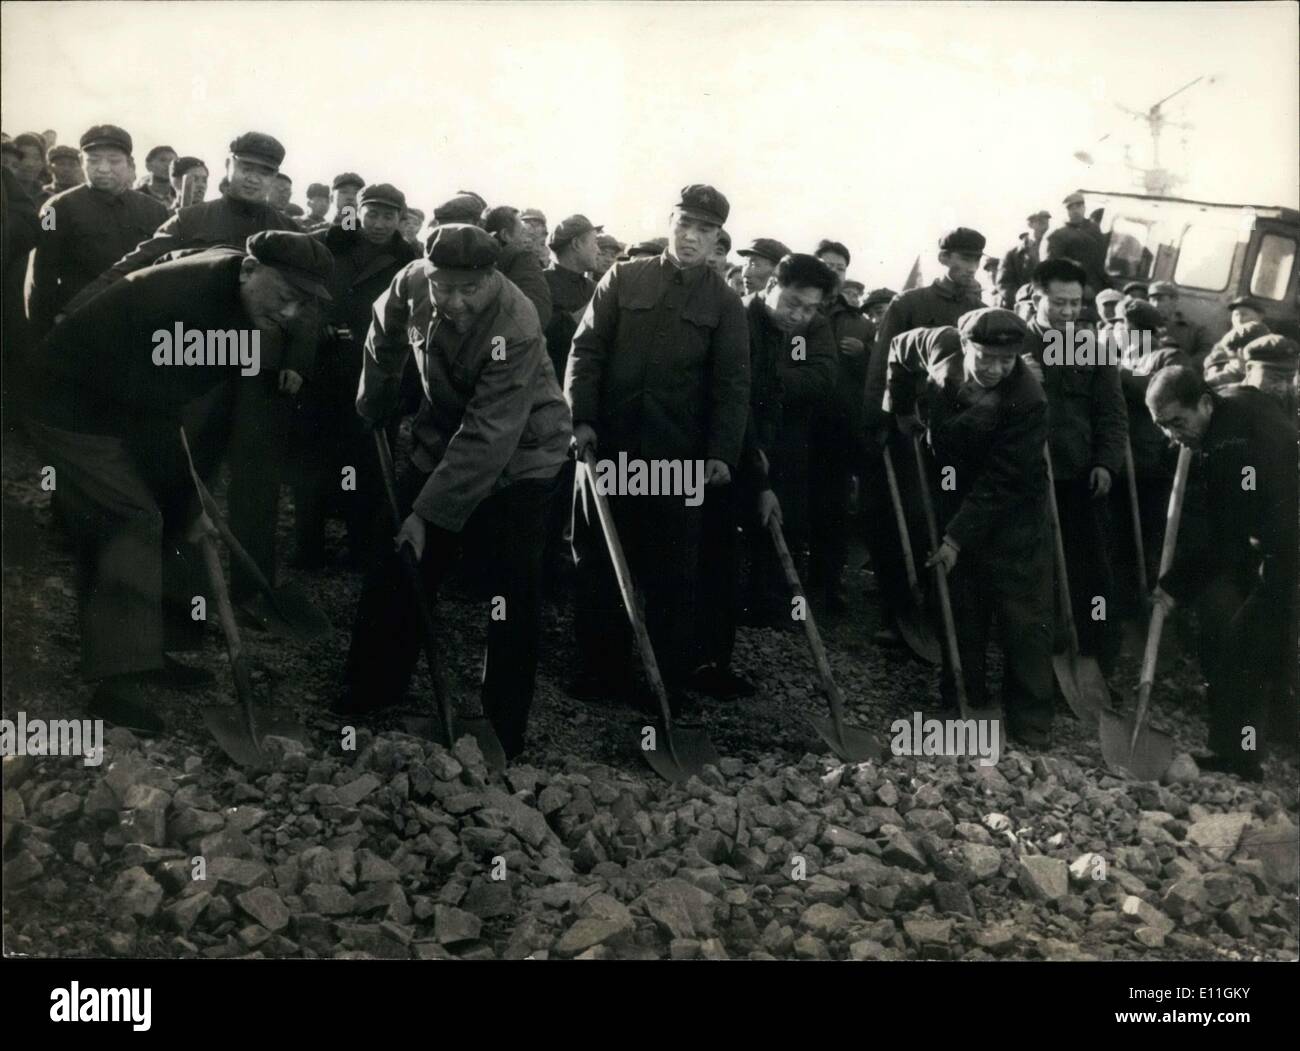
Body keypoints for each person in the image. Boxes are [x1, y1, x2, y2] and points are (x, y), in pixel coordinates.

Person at [27, 231, 332, 733]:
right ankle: (115, 684)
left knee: (163, 513)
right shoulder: (187, 308)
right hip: (70, 405)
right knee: (129, 518)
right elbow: (153, 417)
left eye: (304, 303)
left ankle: (149, 649)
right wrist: (189, 504)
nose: (292, 315)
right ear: (251, 270)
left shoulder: (230, 280)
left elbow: (165, 407)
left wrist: (186, 500)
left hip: (120, 401)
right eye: (286, 296)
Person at [342, 224, 571, 759]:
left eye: (469, 289)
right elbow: (384, 331)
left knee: (510, 589)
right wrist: (373, 400)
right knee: (401, 559)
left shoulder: (516, 323)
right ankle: (373, 686)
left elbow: (491, 435)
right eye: (446, 288)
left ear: (490, 276)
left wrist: (426, 513)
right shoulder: (412, 280)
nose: (456, 301)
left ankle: (502, 725)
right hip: (444, 431)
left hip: (523, 451)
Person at [63, 131, 318, 610]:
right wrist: (74, 310)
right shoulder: (193, 218)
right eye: (246, 168)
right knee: (185, 477)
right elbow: (137, 266)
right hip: (194, 368)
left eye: (264, 173)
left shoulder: (289, 231)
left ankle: (251, 592)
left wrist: (297, 361)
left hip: (259, 371)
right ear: (228, 166)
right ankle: (182, 598)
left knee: (256, 482)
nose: (253, 179)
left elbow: (307, 304)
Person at [565, 184, 749, 713]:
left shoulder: (725, 302)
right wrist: (581, 418)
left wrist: (720, 453)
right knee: (599, 558)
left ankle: (662, 682)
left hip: (676, 459)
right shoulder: (624, 277)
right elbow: (588, 349)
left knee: (671, 569)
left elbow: (732, 384)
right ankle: (601, 672)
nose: (691, 237)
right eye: (684, 224)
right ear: (670, 222)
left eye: (705, 230)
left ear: (717, 238)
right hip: (612, 448)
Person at [885, 308, 1055, 747]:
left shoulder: (1028, 399)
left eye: (1007, 360)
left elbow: (1003, 480)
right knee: (960, 601)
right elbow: (899, 350)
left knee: (1022, 613)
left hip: (1014, 505)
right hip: (955, 487)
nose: (997, 369)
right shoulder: (939, 344)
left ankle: (1031, 721)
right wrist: (900, 406)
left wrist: (956, 538)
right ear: (964, 346)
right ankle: (962, 703)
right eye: (987, 359)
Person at [1148, 367, 1298, 779]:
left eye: (1178, 423)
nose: (1172, 435)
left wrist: (1173, 585)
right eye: (1162, 426)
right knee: (1253, 647)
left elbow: (1226, 536)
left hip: (1288, 549)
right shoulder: (1233, 403)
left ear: (1205, 403)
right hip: (1275, 537)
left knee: (1246, 649)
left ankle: (1240, 759)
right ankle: (1242, 754)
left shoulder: (1234, 448)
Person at [862, 228, 986, 646]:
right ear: (944, 258)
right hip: (908, 430)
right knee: (906, 521)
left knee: (947, 517)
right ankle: (895, 614)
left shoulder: (980, 310)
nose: (968, 268)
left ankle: (938, 612)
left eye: (975, 260)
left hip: (955, 438)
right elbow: (882, 364)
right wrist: (880, 424)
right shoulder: (910, 304)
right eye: (962, 258)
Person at [291, 182, 417, 570]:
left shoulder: (408, 259)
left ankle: (359, 545)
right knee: (315, 461)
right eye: (372, 214)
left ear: (401, 219)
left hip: (378, 374)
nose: (379, 224)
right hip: (325, 371)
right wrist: (322, 329)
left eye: (389, 216)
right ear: (357, 212)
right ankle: (308, 546)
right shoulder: (324, 244)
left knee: (369, 463)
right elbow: (301, 298)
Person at [1020, 258, 1127, 678]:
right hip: (1027, 477)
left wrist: (1106, 463)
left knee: (1094, 575)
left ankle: (1097, 660)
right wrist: (1018, 380)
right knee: (1035, 574)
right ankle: (1039, 662)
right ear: (1035, 297)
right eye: (1059, 303)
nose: (1069, 312)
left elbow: (1112, 414)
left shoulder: (1090, 347)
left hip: (1081, 479)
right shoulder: (1013, 343)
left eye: (1075, 304)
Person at [740, 253, 838, 627]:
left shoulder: (808, 330)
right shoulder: (740, 319)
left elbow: (822, 375)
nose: (798, 315)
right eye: (792, 303)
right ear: (770, 286)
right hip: (738, 430)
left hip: (786, 433)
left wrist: (773, 386)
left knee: (785, 516)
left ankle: (773, 603)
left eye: (809, 309)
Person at [25, 125, 171, 339]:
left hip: (137, 324)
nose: (103, 168)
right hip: (80, 324)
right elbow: (40, 277)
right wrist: (43, 332)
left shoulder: (156, 211)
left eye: (114, 161)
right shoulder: (53, 209)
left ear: (130, 165)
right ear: (82, 163)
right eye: (93, 160)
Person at [1109, 298, 1188, 617]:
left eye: (1122, 327)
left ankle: (1153, 603)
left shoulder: (1169, 355)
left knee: (1149, 536)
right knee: (1120, 537)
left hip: (1151, 462)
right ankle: (1124, 602)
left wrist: (1118, 374)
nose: (1116, 332)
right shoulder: (1121, 356)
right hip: (1122, 460)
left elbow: (1162, 389)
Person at [811, 238, 872, 613]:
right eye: (827, 265)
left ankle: (827, 586)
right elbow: (795, 353)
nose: (834, 272)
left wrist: (863, 356)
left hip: (838, 430)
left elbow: (874, 376)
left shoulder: (859, 322)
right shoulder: (802, 308)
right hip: (803, 425)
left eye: (840, 267)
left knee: (832, 511)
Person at [481, 203, 553, 327]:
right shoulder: (522, 258)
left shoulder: (478, 261)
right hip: (507, 342)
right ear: (505, 235)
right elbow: (539, 314)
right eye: (522, 232)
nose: (527, 239)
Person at [1045, 191, 1108, 297]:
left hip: (1100, 287)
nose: (1075, 211)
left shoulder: (1094, 229)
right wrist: (1080, 287)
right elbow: (1051, 268)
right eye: (1070, 207)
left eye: (1079, 206)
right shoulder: (1056, 235)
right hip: (1073, 291)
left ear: (1084, 207)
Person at [1148, 280, 1213, 368]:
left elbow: (1206, 355)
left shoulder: (1195, 330)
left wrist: (1179, 364)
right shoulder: (1139, 326)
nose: (1155, 305)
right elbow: (1133, 362)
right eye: (1152, 300)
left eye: (1160, 300)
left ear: (1174, 301)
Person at [996, 211, 1050, 309]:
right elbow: (1003, 284)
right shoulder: (1012, 254)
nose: (1045, 228)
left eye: (1047, 223)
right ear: (1030, 225)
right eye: (1041, 223)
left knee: (1069, 321)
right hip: (1026, 307)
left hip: (1053, 305)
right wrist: (1022, 301)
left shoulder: (1054, 249)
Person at [12, 132, 50, 205]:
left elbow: (50, 217)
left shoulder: (49, 200)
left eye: (36, 158)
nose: (30, 164)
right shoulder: (4, 196)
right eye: (24, 157)